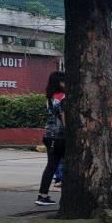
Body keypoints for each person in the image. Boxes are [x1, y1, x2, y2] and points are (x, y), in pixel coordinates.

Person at [36, 71, 65, 206]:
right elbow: (64, 117)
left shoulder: (49, 97)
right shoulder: (62, 97)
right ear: (60, 82)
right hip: (60, 136)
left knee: (51, 166)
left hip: (48, 135)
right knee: (67, 165)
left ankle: (43, 195)